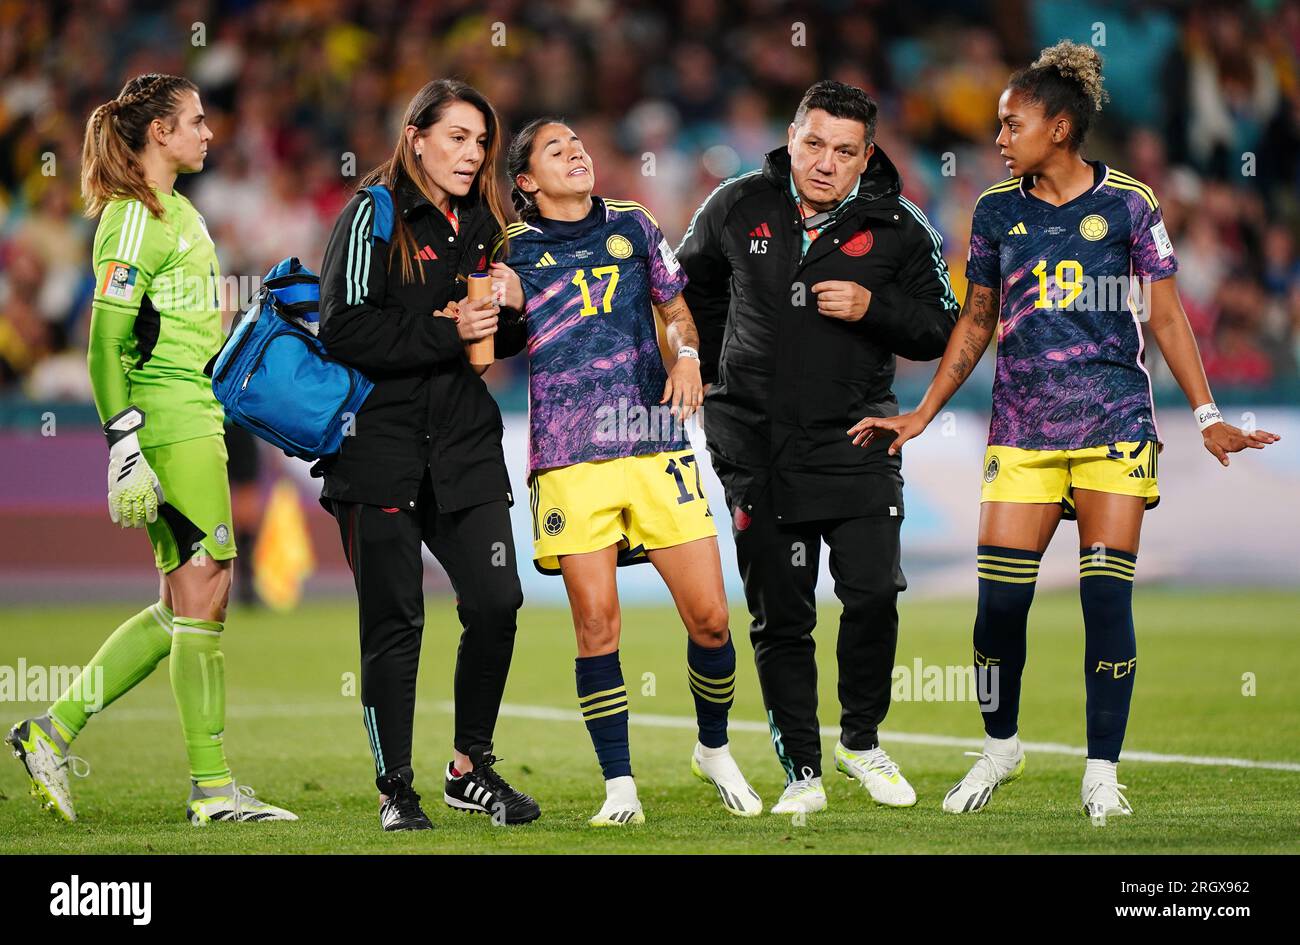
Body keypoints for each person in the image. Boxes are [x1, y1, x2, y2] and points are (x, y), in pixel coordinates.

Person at [848, 41, 1280, 824]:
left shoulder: (1129, 205)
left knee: (1106, 602)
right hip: (1021, 430)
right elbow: (977, 321)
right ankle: (1001, 743)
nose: (999, 137)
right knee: (998, 611)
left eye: (1013, 124)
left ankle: (1101, 769)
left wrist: (1210, 415)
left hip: (1114, 424)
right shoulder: (994, 211)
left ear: (1061, 126)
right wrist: (923, 413)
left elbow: (1169, 316)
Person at [6, 74, 296, 825]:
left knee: (184, 599)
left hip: (195, 408)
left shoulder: (180, 213)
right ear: (159, 133)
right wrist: (124, 444)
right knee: (205, 589)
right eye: (195, 121)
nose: (208, 131)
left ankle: (51, 729)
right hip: (169, 420)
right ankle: (211, 788)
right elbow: (104, 344)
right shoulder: (132, 219)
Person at [676, 80, 959, 814]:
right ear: (791, 135)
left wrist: (876, 308)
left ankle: (860, 740)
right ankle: (803, 770)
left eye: (843, 150)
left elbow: (942, 326)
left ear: (867, 155)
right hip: (754, 445)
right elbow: (685, 290)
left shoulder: (900, 225)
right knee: (782, 615)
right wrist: (706, 370)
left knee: (871, 594)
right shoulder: (737, 205)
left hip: (857, 438)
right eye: (813, 143)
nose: (824, 163)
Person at [490, 118, 762, 825]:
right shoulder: (510, 251)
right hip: (569, 458)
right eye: (555, 149)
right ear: (525, 181)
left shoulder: (635, 227)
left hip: (652, 442)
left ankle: (713, 746)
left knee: (708, 617)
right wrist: (480, 318)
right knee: (597, 625)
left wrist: (690, 356)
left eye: (577, 143)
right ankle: (620, 784)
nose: (575, 152)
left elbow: (676, 312)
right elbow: (486, 345)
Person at [316, 79, 538, 831]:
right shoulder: (372, 214)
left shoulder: (485, 220)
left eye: (480, 141)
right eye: (457, 137)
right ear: (415, 136)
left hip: (466, 445)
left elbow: (496, 343)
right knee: (395, 622)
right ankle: (396, 789)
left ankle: (469, 767)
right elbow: (342, 328)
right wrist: (451, 329)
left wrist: (512, 308)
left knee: (497, 602)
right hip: (377, 448)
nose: (473, 154)